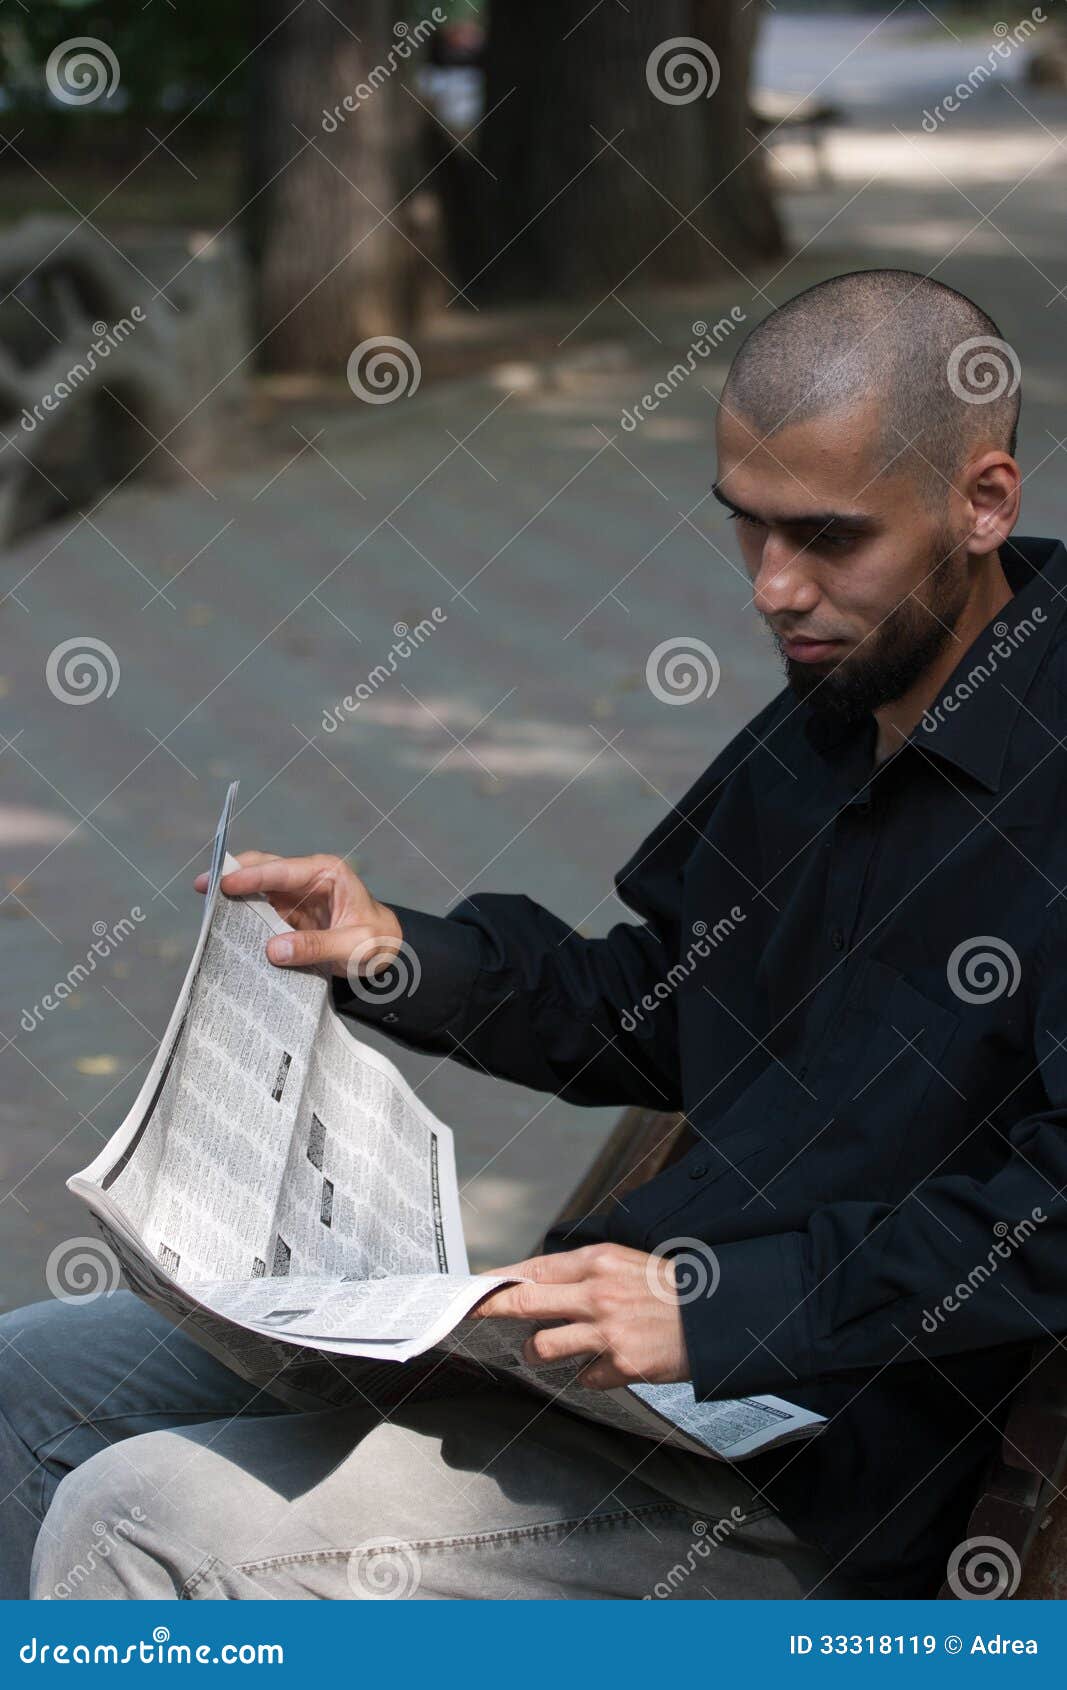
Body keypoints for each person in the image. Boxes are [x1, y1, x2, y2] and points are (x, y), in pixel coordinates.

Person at [4, 269, 1063, 1601]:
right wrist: (398, 952)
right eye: (749, 529)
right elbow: (664, 1003)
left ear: (983, 501)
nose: (775, 589)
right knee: (28, 1380)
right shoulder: (845, 694)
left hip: (806, 1476)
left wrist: (718, 1310)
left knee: (138, 1516)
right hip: (611, 1367)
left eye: (828, 537)